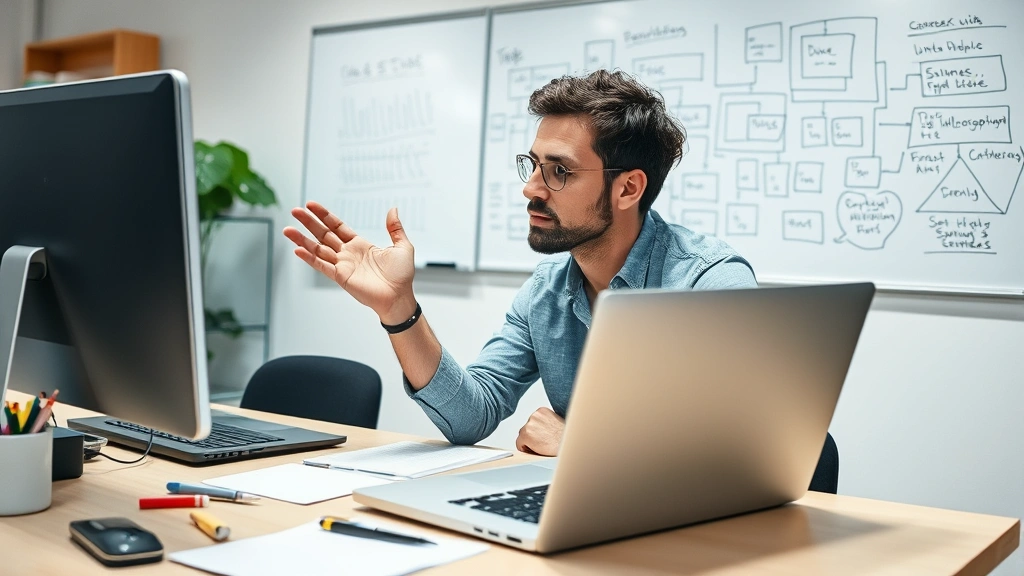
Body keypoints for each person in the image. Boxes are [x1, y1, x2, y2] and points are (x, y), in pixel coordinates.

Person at [284, 70, 756, 456]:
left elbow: (732, 450)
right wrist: (399, 310)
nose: (531, 187)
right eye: (532, 165)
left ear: (628, 188)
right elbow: (472, 415)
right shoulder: (547, 290)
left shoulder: (710, 283)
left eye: (559, 171)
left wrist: (580, 445)